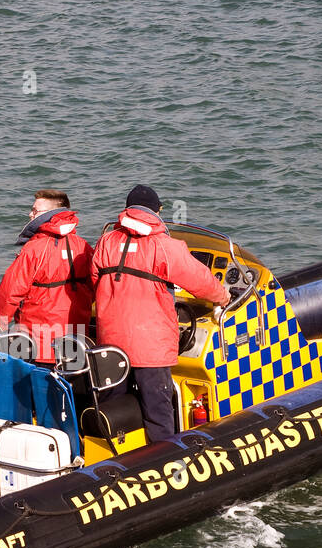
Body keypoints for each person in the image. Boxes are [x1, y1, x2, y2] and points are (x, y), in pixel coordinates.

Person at [91, 184, 230, 441]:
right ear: (158, 211)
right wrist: (223, 296)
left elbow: (94, 280)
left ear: (127, 210)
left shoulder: (107, 241)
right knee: (157, 410)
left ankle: (117, 462)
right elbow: (201, 281)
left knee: (115, 410)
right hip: (150, 348)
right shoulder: (165, 245)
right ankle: (163, 465)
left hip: (111, 343)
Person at [0, 189, 94, 366]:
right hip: (75, 339)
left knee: (36, 386)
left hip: (38, 342)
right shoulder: (83, 247)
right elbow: (96, 285)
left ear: (49, 215)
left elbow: (8, 294)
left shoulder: (33, 249)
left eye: (35, 210)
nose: (30, 214)